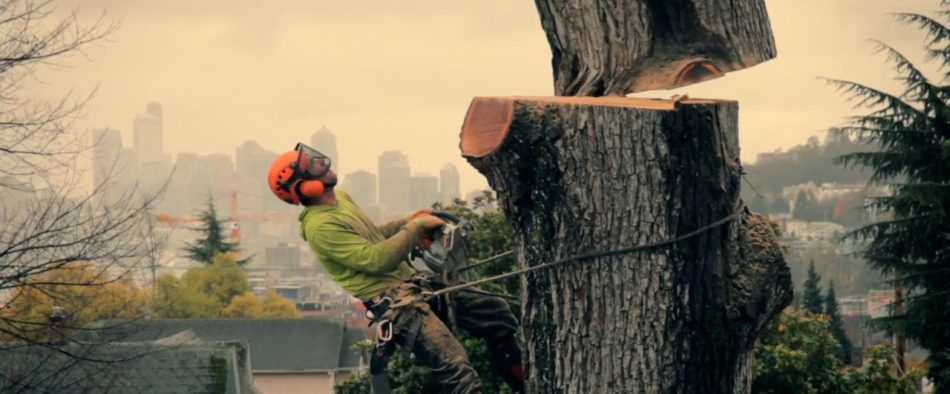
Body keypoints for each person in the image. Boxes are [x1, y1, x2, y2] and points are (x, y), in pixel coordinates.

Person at [267, 143, 524, 394]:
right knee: (456, 369)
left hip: (414, 283)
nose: (323, 166)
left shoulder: (341, 199)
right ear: (304, 187)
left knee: (495, 313)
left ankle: (523, 385)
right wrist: (414, 228)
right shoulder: (320, 226)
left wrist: (408, 221)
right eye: (313, 167)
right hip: (395, 304)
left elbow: (373, 237)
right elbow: (376, 259)